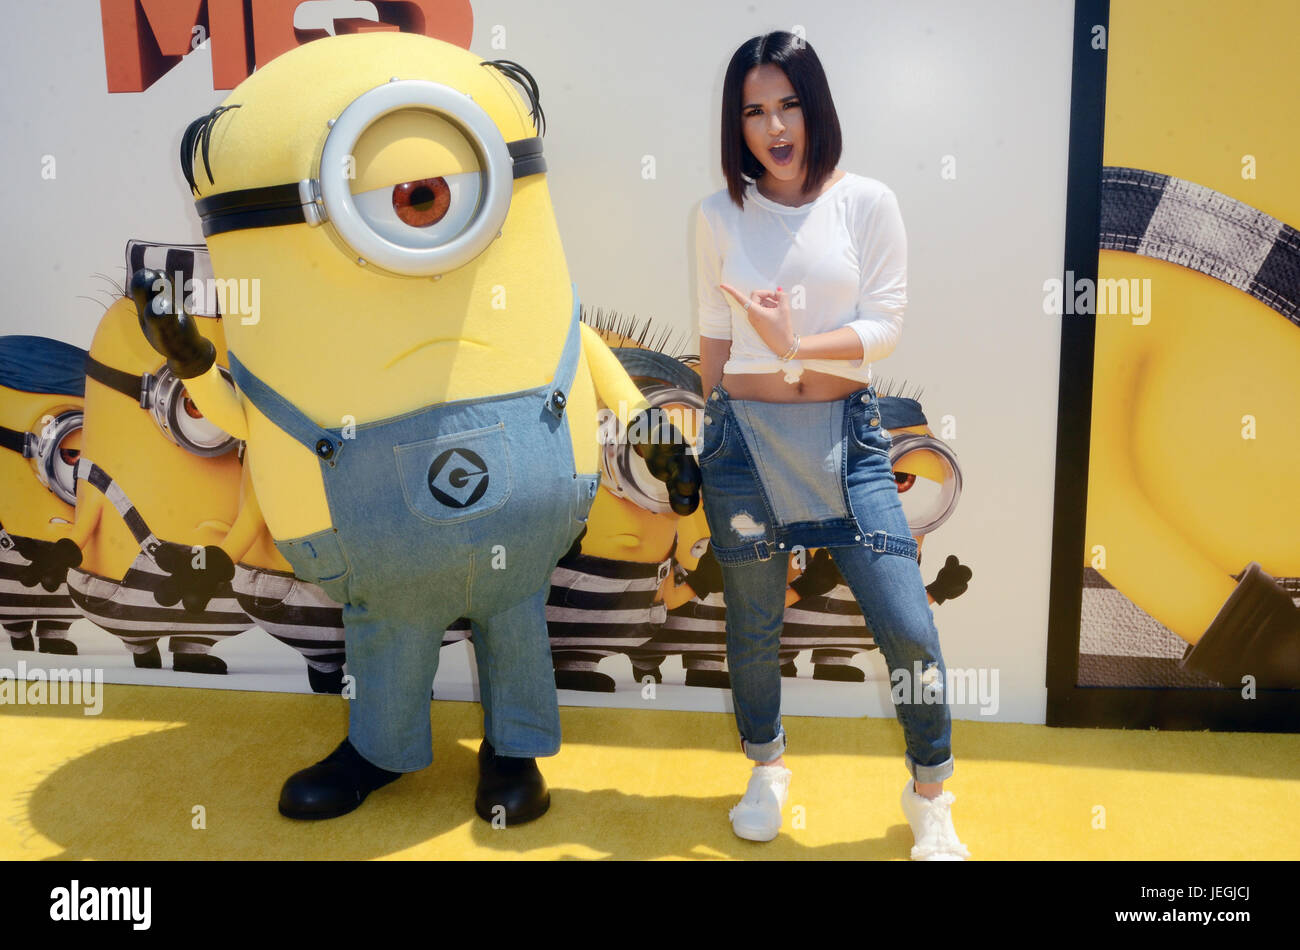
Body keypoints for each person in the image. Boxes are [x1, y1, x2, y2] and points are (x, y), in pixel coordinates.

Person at [694, 31, 969, 859]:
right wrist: (714, 425)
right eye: (754, 111)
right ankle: (767, 767)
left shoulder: (867, 201)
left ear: (816, 110)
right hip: (744, 443)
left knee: (907, 625)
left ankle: (931, 794)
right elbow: (712, 336)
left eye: (789, 105)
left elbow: (884, 327)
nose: (774, 127)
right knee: (752, 624)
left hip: (847, 442)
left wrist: (792, 343)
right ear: (736, 124)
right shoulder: (715, 215)